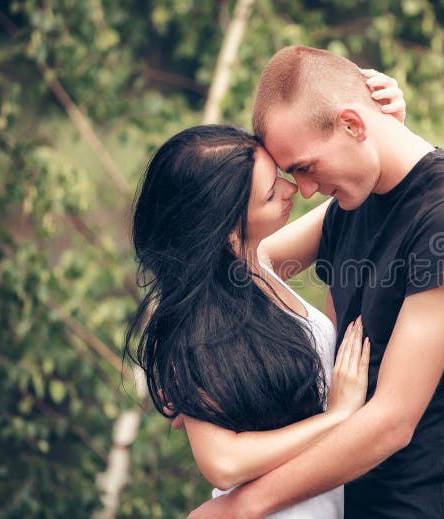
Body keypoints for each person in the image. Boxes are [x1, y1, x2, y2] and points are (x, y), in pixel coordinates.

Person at [189, 46, 444, 519]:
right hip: (339, 506)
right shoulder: (351, 205)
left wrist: (241, 507)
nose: (303, 190)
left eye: (305, 167)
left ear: (353, 125)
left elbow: (391, 422)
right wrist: (187, 370)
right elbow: (229, 267)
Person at [125, 72, 407, 518]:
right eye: (272, 192)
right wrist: (337, 416)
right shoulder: (202, 324)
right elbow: (223, 463)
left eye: (279, 175)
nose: (293, 189)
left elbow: (358, 192)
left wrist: (383, 131)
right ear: (226, 229)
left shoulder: (256, 266)